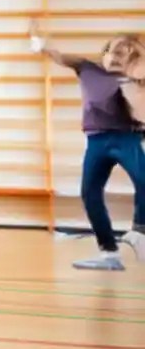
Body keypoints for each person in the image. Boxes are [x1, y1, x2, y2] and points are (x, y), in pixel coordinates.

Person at [31, 22, 145, 271]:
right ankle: (109, 253)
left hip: (127, 138)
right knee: (90, 193)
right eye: (114, 52)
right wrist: (39, 42)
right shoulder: (86, 67)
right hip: (96, 141)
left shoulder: (134, 79)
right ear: (104, 53)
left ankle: (139, 231)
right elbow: (57, 56)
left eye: (124, 54)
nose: (117, 58)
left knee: (144, 180)